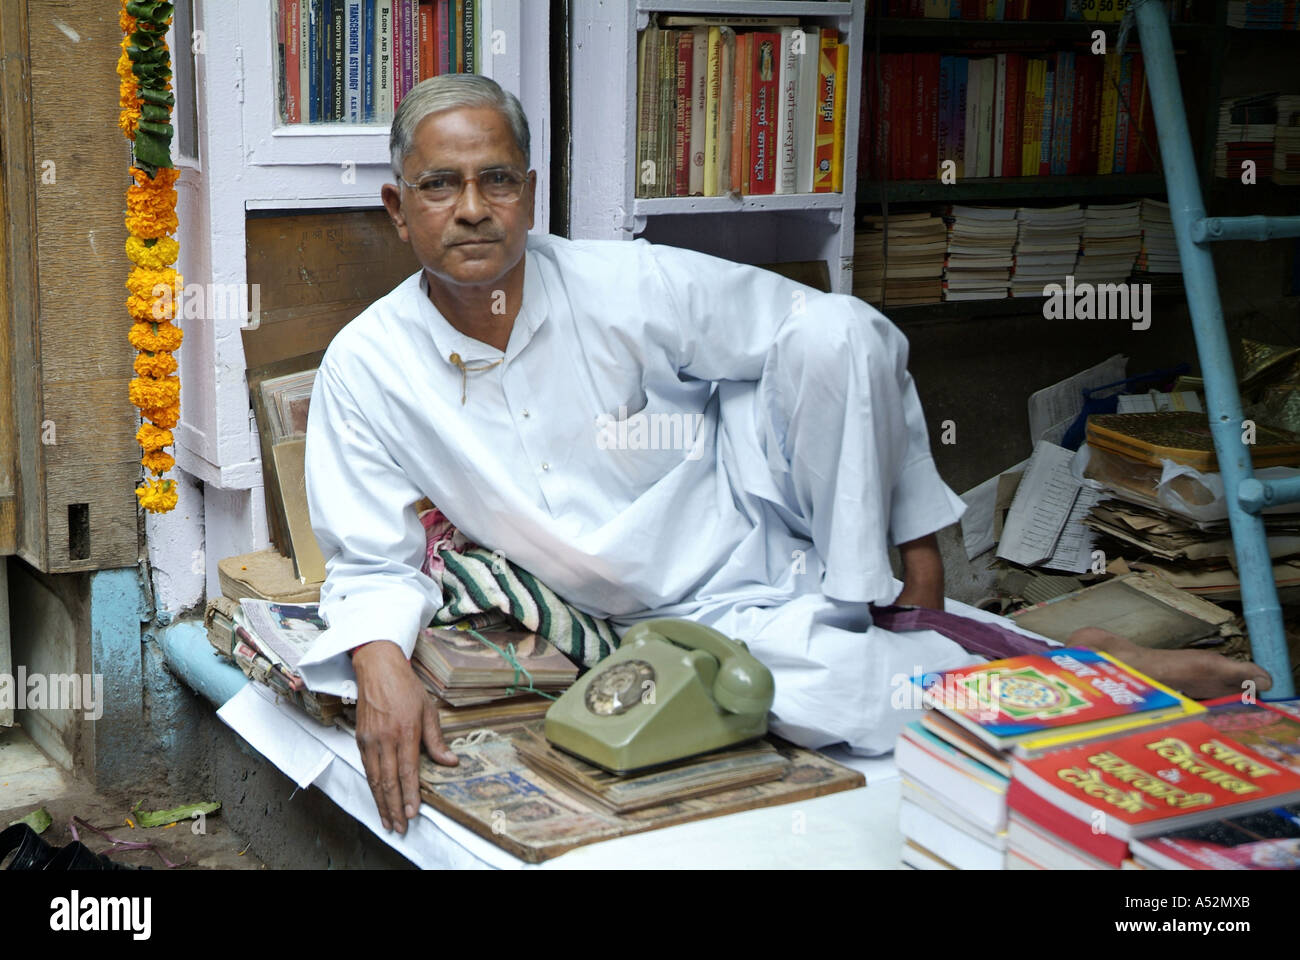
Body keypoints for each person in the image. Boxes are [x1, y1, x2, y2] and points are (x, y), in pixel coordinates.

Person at [301, 74, 1270, 836]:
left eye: (495, 178)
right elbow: (369, 555)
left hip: (765, 525)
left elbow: (836, 340)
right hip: (683, 618)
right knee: (846, 703)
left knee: (835, 331)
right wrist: (379, 661)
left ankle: (865, 604)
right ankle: (1104, 669)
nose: (472, 208)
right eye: (441, 184)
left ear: (530, 192)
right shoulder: (368, 368)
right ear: (398, 206)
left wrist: (913, 529)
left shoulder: (622, 281)